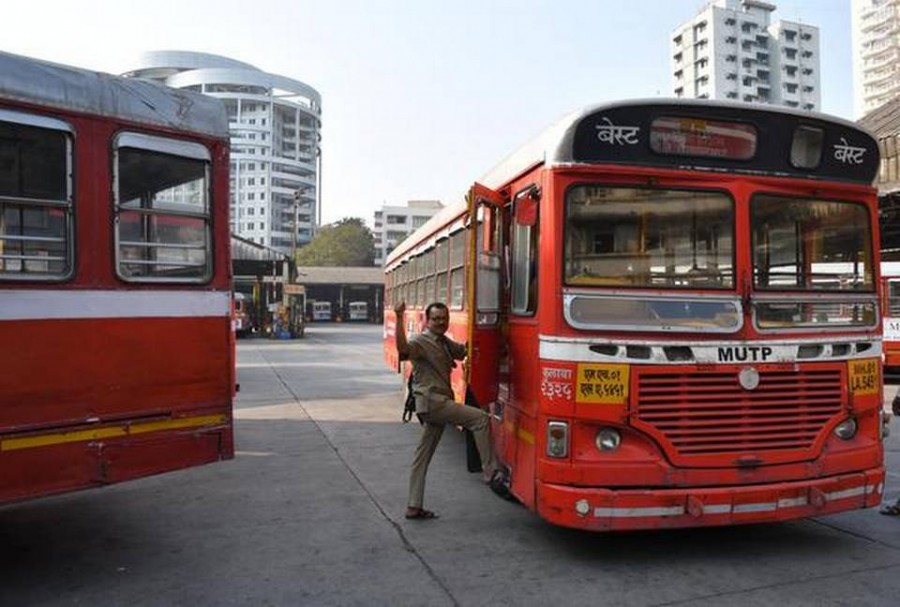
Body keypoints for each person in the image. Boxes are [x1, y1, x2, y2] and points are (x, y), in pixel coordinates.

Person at [394, 300, 496, 520]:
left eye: (444, 318)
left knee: (422, 457)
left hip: (435, 404)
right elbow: (402, 350)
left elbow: (463, 352)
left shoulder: (443, 342)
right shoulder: (421, 341)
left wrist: (488, 332)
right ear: (427, 321)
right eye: (436, 319)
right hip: (434, 402)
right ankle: (490, 471)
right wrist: (399, 316)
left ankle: (414, 506)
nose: (441, 322)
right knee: (480, 419)